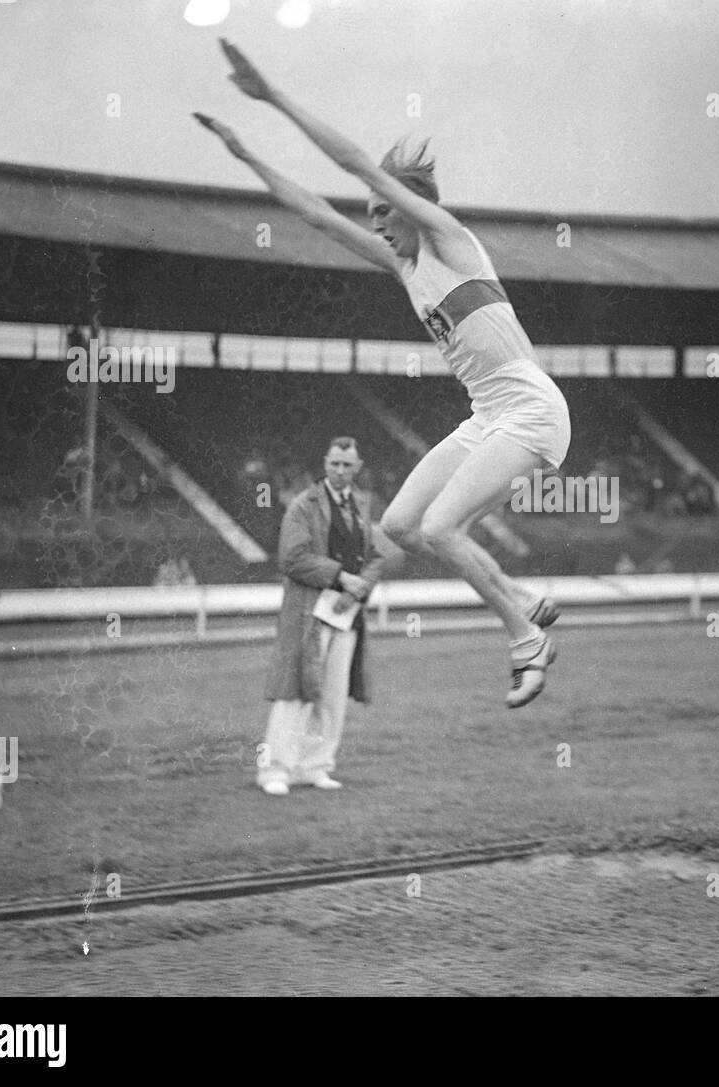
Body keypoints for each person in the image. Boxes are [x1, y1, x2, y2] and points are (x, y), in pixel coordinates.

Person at [197, 40, 568, 709]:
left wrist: (273, 96)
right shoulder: (405, 267)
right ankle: (521, 596)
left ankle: (525, 640)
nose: (376, 224)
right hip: (489, 416)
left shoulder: (449, 238)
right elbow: (317, 214)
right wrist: (246, 155)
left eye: (382, 211)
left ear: (409, 205)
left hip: (532, 410)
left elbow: (355, 164)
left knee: (443, 528)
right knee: (399, 526)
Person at [258, 437, 388, 797]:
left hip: (346, 615)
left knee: (332, 695)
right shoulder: (304, 505)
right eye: (334, 464)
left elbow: (375, 556)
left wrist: (358, 589)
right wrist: (341, 577)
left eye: (347, 465)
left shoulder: (360, 505)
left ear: (357, 468)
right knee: (296, 694)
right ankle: (275, 770)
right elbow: (292, 558)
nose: (340, 471)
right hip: (307, 613)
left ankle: (315, 767)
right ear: (325, 463)